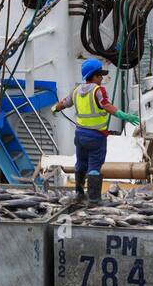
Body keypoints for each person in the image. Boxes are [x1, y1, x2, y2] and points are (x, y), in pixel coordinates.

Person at [52, 58, 140, 203]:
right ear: (94, 76)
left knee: (80, 163)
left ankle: (79, 194)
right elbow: (106, 106)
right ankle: (94, 200)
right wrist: (124, 115)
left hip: (80, 135)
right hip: (96, 136)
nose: (102, 78)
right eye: (100, 75)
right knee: (94, 166)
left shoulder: (76, 90)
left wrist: (55, 108)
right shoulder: (98, 91)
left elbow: (64, 103)